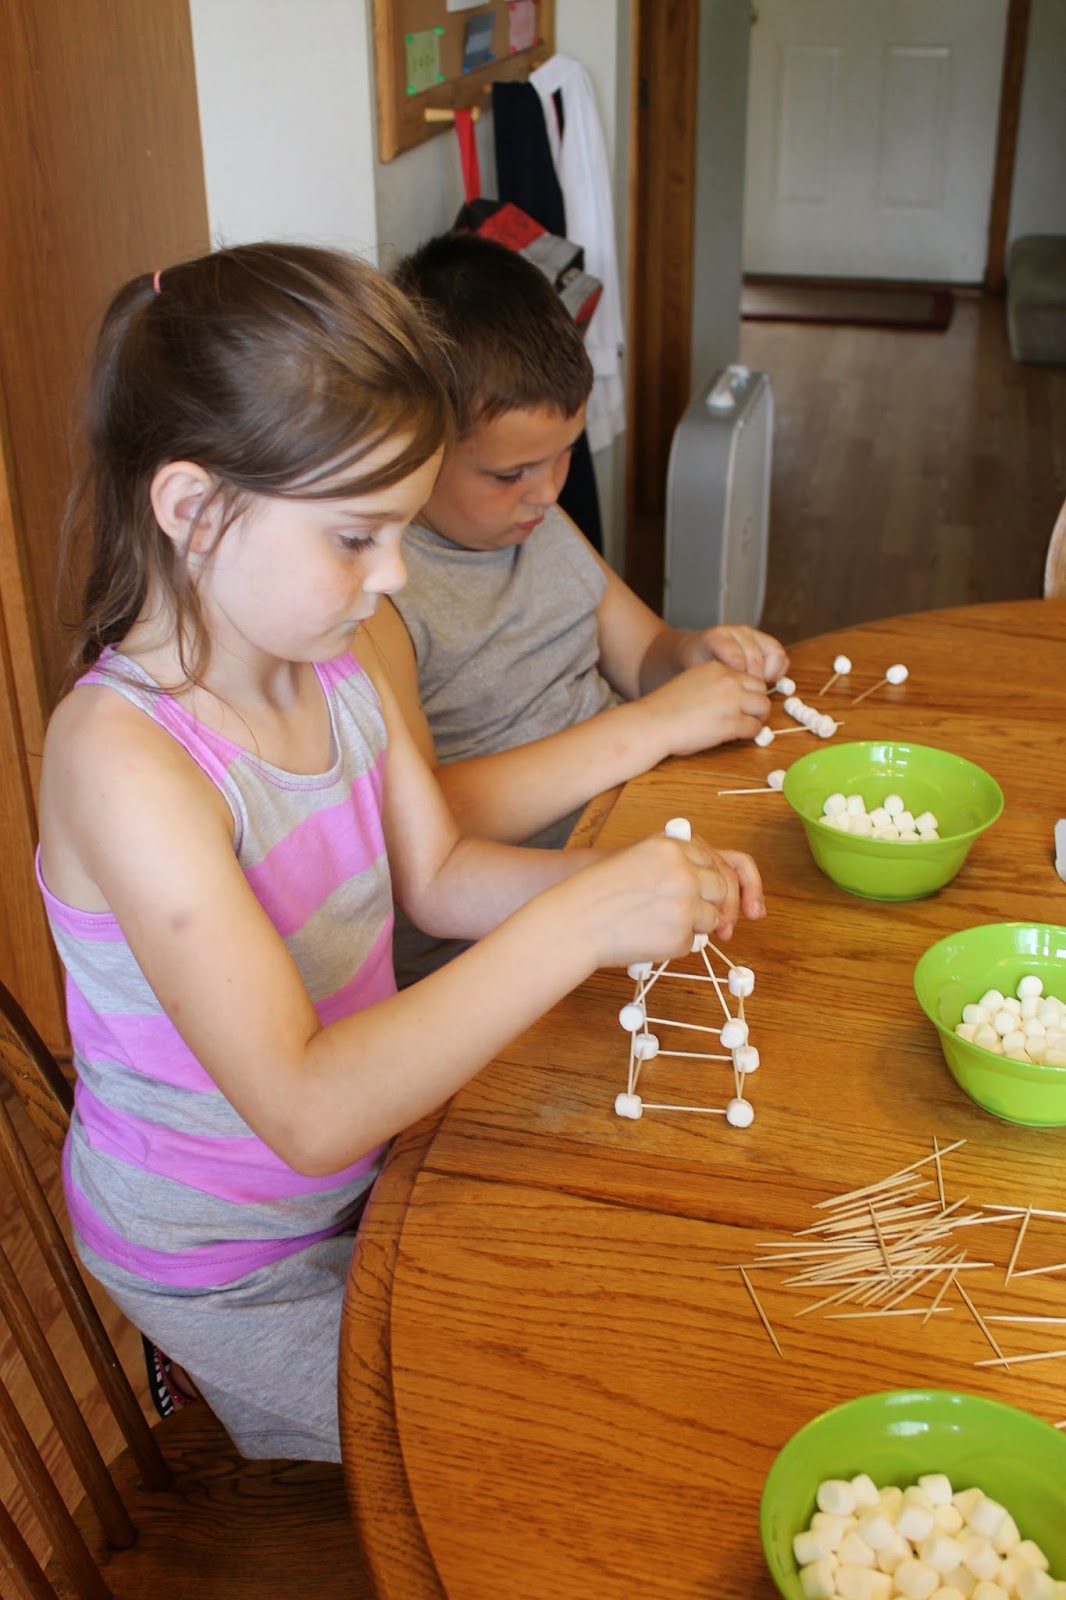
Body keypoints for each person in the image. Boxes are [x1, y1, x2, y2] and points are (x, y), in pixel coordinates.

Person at [36, 242, 765, 1465]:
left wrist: (625, 888)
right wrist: (577, 925)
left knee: (630, 1300)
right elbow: (309, 1107)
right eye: (357, 536)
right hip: (234, 1260)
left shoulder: (335, 655)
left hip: (373, 1170)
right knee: (539, 1448)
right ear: (193, 508)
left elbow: (433, 877)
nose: (391, 576)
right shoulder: (123, 759)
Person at [359, 231, 789, 986]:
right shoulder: (383, 598)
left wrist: (694, 655)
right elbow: (432, 826)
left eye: (564, 455)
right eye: (510, 472)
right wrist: (653, 724)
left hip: (629, 834)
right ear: (413, 445)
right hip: (513, 933)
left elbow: (646, 653)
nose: (548, 491)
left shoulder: (537, 521)